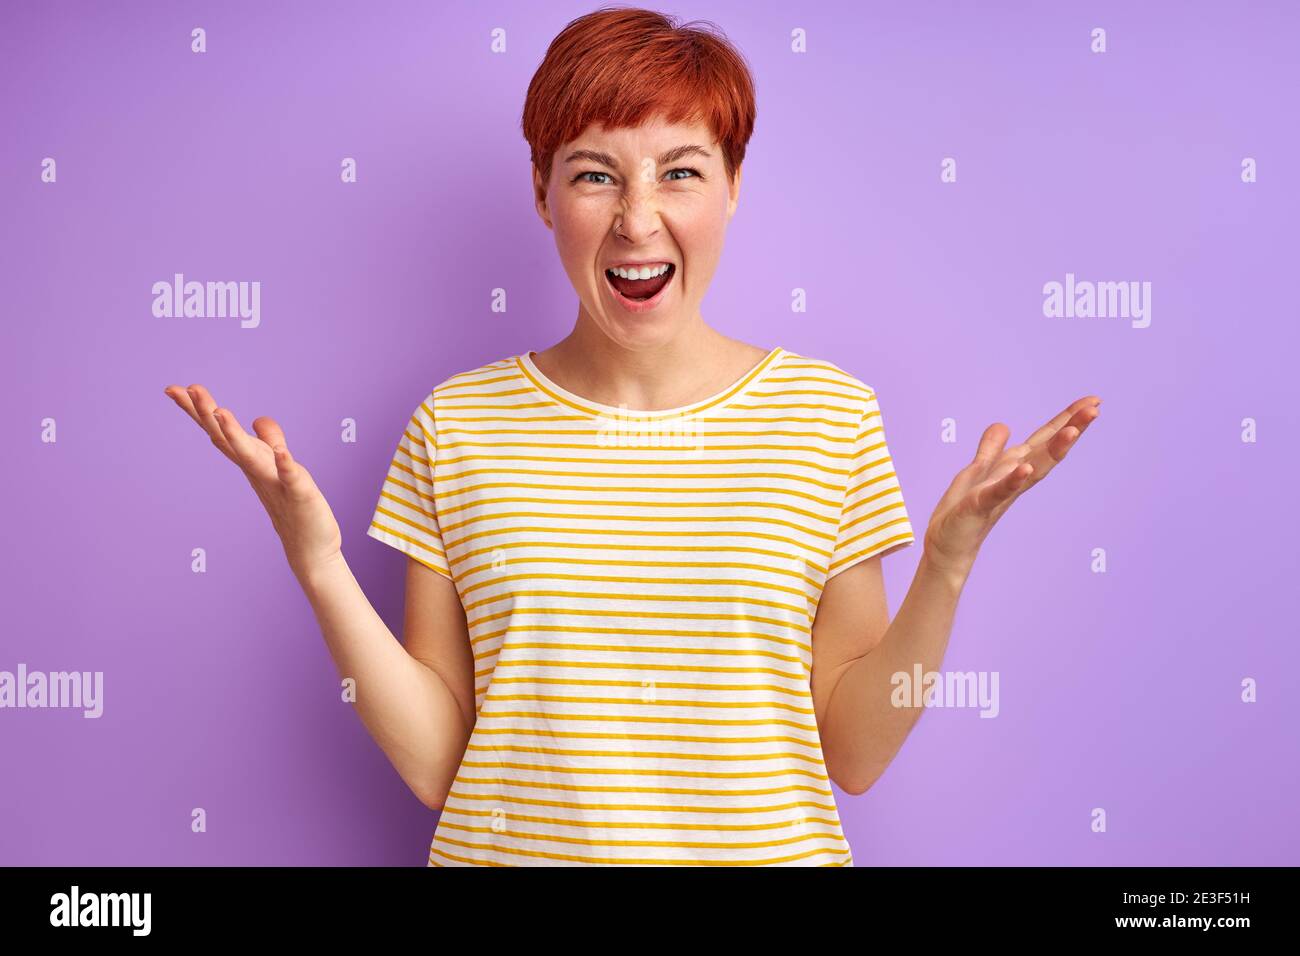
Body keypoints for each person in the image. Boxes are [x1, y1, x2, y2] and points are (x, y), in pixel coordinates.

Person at [164, 7, 1100, 866]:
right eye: (595, 174)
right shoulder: (455, 426)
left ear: (734, 187)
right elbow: (439, 768)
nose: (637, 218)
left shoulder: (832, 418)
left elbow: (853, 754)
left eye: (681, 171)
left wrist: (943, 565)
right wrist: (319, 563)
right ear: (542, 193)